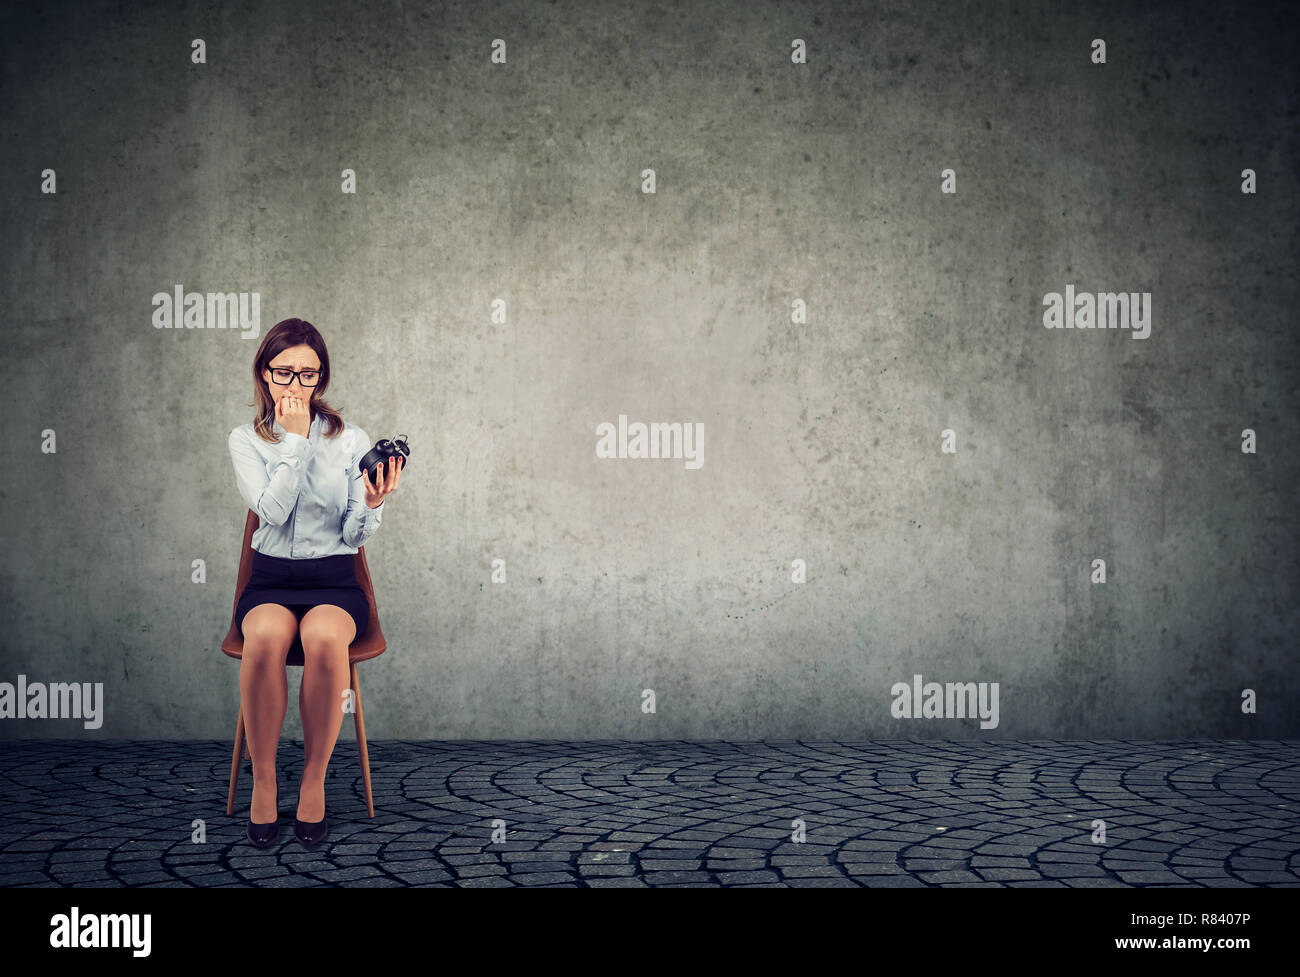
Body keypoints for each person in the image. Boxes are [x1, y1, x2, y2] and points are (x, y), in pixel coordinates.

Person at [228, 317, 401, 847]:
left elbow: (352, 534)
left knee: (325, 638)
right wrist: (296, 442)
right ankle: (263, 780)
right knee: (263, 638)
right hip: (271, 580)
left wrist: (373, 505)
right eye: (284, 373)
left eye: (308, 375)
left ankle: (313, 779)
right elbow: (271, 512)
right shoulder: (245, 440)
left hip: (334, 579)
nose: (295, 386)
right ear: (264, 373)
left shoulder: (350, 441)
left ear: (320, 380)